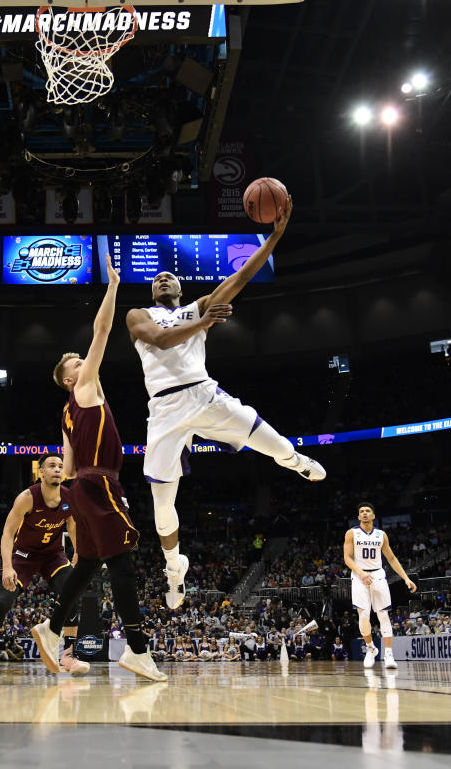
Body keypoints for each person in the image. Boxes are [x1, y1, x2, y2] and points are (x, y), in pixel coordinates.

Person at [124, 200, 327, 610]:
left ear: (180, 291)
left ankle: (294, 460)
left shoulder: (197, 306)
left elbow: (240, 277)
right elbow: (161, 340)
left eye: (169, 277)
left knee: (266, 437)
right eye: (157, 278)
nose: (163, 278)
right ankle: (173, 568)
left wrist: (273, 238)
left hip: (202, 393)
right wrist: (205, 323)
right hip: (163, 409)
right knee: (162, 504)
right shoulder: (138, 314)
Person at [31, 255, 166, 682]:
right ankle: (139, 651)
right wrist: (112, 286)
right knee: (122, 562)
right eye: (76, 364)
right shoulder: (85, 389)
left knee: (88, 563)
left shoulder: (67, 414)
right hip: (101, 484)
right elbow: (103, 330)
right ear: (71, 379)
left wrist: (74, 497)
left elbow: (66, 467)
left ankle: (51, 628)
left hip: (81, 489)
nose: (84, 363)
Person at [0, 453, 88, 677]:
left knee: (72, 593)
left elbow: (73, 526)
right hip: (24, 555)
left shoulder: (69, 497)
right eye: (52, 465)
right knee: (3, 602)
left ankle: (69, 654)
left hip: (54, 555)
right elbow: (7, 533)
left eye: (61, 466)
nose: (57, 469)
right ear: (40, 472)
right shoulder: (27, 497)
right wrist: (7, 566)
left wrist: (79, 552)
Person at [344, 504, 416, 670]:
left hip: (377, 574)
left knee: (383, 615)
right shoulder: (351, 533)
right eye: (361, 511)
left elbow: (391, 558)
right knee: (363, 616)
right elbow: (347, 558)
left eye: (367, 511)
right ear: (358, 516)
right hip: (359, 575)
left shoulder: (381, 534)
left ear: (373, 515)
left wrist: (406, 578)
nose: (364, 513)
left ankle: (389, 654)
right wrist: (361, 573)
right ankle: (371, 648)